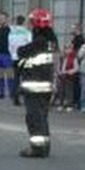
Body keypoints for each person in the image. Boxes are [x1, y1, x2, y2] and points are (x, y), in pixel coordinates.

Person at [15, 9, 57, 157]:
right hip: (45, 87)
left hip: (35, 87)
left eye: (31, 22)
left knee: (34, 118)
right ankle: (44, 147)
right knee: (42, 118)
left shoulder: (39, 41)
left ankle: (37, 148)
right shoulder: (50, 41)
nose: (29, 25)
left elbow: (21, 52)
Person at [7, 15, 32, 105]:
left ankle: (15, 98)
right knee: (25, 77)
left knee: (16, 78)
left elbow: (9, 46)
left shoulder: (11, 33)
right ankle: (25, 97)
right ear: (23, 22)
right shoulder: (26, 32)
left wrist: (12, 54)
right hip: (24, 58)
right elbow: (30, 45)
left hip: (14, 57)